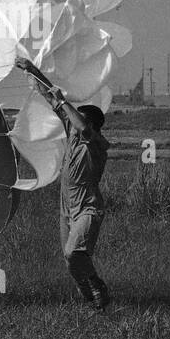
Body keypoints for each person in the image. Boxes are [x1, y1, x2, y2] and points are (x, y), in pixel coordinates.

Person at [16, 58, 111, 309]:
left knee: (74, 253)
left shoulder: (97, 144)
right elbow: (51, 97)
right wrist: (32, 70)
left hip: (87, 208)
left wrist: (64, 101)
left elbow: (81, 126)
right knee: (70, 262)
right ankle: (93, 302)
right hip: (66, 208)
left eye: (79, 118)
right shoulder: (73, 131)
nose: (73, 121)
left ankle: (98, 287)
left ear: (91, 124)